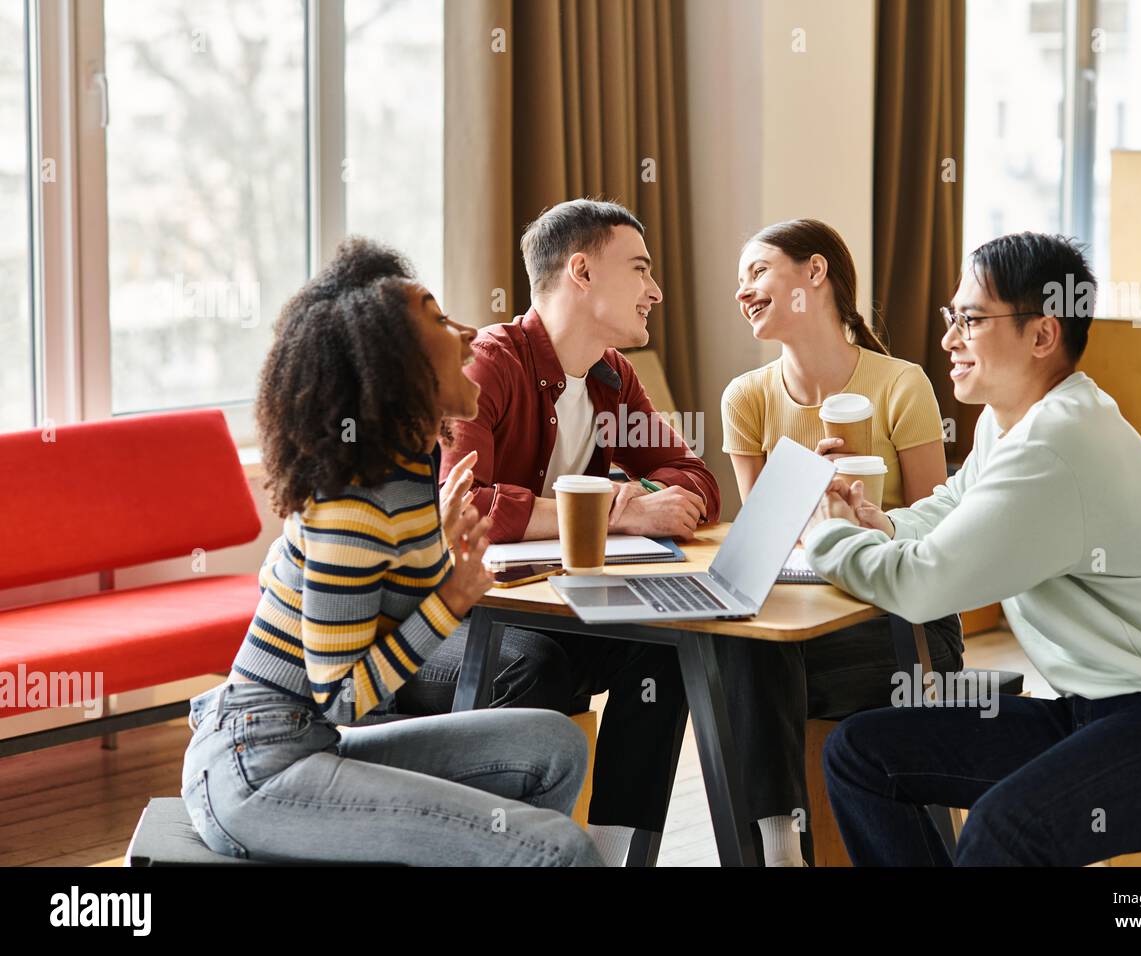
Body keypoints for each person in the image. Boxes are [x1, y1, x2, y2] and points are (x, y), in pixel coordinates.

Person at [808, 231, 1141, 865]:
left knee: (1002, 830)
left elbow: (922, 588)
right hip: (1093, 712)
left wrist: (827, 535)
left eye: (970, 319)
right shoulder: (1012, 422)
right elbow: (950, 509)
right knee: (862, 755)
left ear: (1042, 334)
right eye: (954, 317)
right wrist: (874, 524)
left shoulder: (1056, 444)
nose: (949, 338)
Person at [180, 237, 602, 866]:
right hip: (256, 767)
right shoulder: (355, 507)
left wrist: (440, 556)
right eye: (438, 318)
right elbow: (346, 697)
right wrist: (452, 596)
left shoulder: (407, 474)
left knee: (553, 743)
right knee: (559, 849)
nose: (466, 332)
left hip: (306, 744)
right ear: (395, 362)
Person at [395, 199, 721, 867]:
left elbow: (693, 476)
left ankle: (615, 854)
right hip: (443, 627)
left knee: (670, 646)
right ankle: (512, 856)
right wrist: (615, 507)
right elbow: (469, 505)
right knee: (534, 664)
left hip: (547, 615)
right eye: (640, 269)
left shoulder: (611, 376)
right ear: (581, 271)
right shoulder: (491, 362)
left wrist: (651, 496)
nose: (656, 291)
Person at [719, 218, 964, 866]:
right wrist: (800, 491)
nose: (742, 291)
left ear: (816, 273)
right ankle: (778, 851)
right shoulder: (745, 398)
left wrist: (857, 517)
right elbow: (761, 552)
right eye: (739, 279)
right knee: (746, 645)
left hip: (902, 625)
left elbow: (936, 530)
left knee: (761, 656)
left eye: (757, 271)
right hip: (801, 627)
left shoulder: (900, 383)